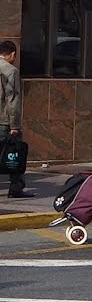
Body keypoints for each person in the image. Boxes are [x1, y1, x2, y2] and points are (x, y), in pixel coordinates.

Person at [0, 40, 31, 198]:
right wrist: (15, 125)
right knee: (15, 153)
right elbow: (12, 99)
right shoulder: (11, 71)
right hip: (5, 120)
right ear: (12, 54)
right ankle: (16, 188)